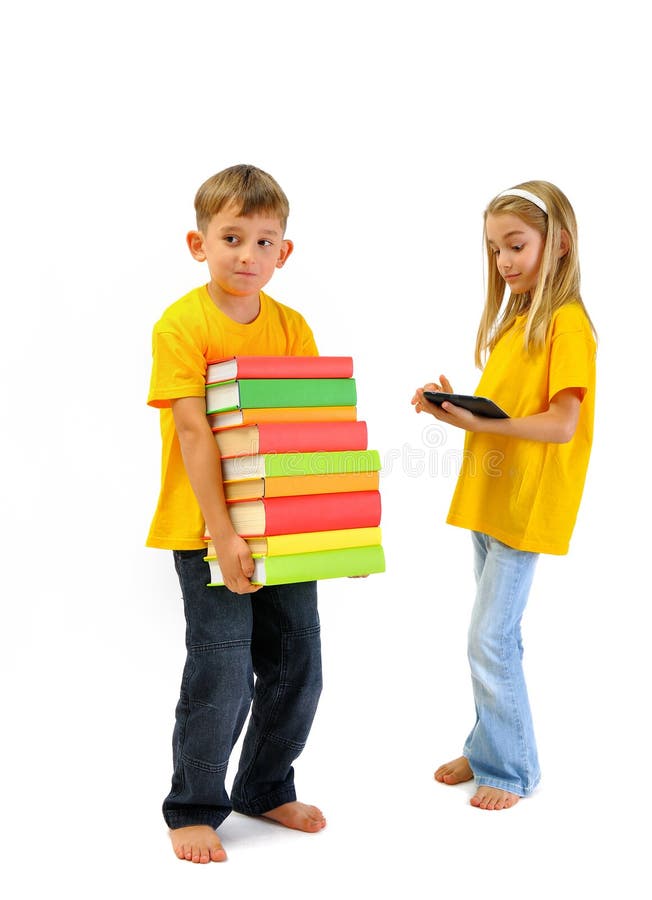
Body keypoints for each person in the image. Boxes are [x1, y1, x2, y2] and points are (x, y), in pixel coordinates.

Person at [147, 164, 326, 863]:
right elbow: (195, 433)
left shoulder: (292, 328)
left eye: (263, 241)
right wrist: (222, 535)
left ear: (284, 252)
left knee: (297, 662)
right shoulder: (183, 325)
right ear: (199, 243)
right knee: (221, 668)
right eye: (231, 238)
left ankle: (265, 784)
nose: (246, 255)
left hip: (280, 527)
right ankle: (193, 803)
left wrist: (326, 537)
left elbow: (306, 430)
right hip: (205, 529)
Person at [412, 181, 596, 811]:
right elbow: (505, 413)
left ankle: (512, 768)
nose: (504, 262)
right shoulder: (517, 323)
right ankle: (489, 738)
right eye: (494, 250)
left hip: (525, 505)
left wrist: (483, 424)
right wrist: (454, 408)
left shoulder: (567, 325)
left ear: (560, 243)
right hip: (493, 497)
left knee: (488, 638)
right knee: (494, 636)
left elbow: (560, 424)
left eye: (516, 245)